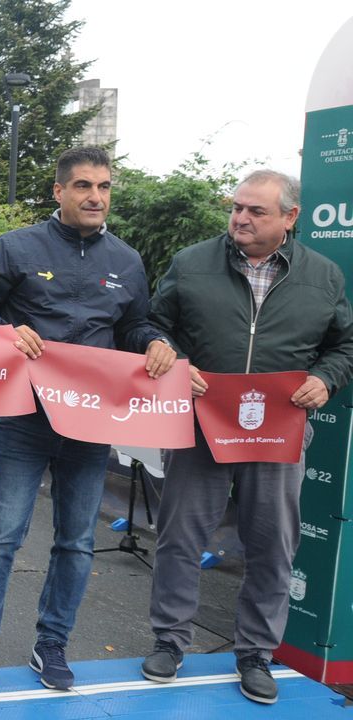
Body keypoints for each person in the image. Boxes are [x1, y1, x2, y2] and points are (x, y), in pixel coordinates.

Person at [0, 146, 175, 694]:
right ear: (59, 192)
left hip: (92, 423)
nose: (94, 196)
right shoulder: (15, 246)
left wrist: (156, 344)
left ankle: (51, 646)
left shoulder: (126, 260)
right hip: (26, 416)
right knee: (0, 536)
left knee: (76, 542)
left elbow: (135, 327)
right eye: (82, 186)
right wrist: (4, 332)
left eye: (103, 187)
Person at [141, 170, 353, 704]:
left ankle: (256, 652)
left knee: (273, 546)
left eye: (257, 211)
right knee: (180, 539)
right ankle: (169, 642)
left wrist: (324, 379)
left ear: (289, 218)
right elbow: (148, 325)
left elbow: (344, 347)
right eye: (237, 208)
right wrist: (164, 352)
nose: (241, 218)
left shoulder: (324, 276)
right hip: (200, 423)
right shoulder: (192, 263)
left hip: (278, 432)